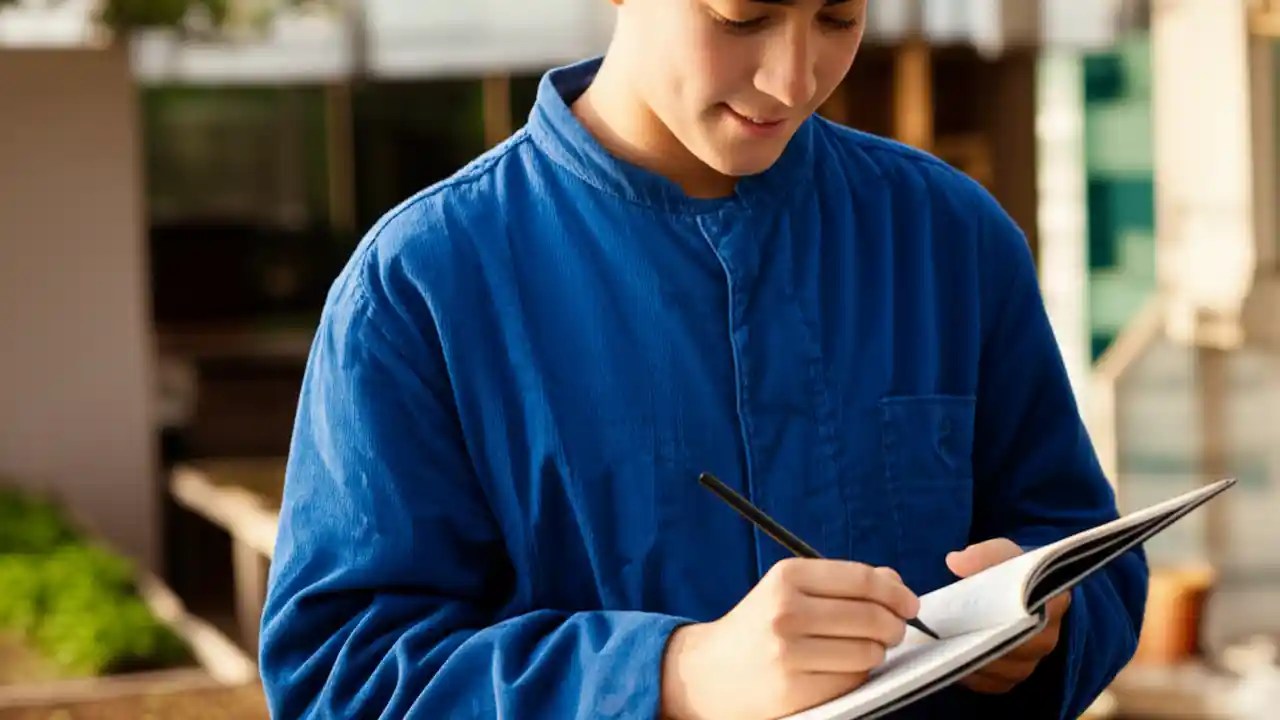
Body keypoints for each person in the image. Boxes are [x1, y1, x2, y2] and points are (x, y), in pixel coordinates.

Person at [258, 1, 1148, 718]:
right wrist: (674, 677)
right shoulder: (422, 285)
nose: (793, 78)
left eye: (839, 17)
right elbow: (342, 678)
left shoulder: (948, 235)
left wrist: (1046, 625)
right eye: (741, 18)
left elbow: (1084, 546)